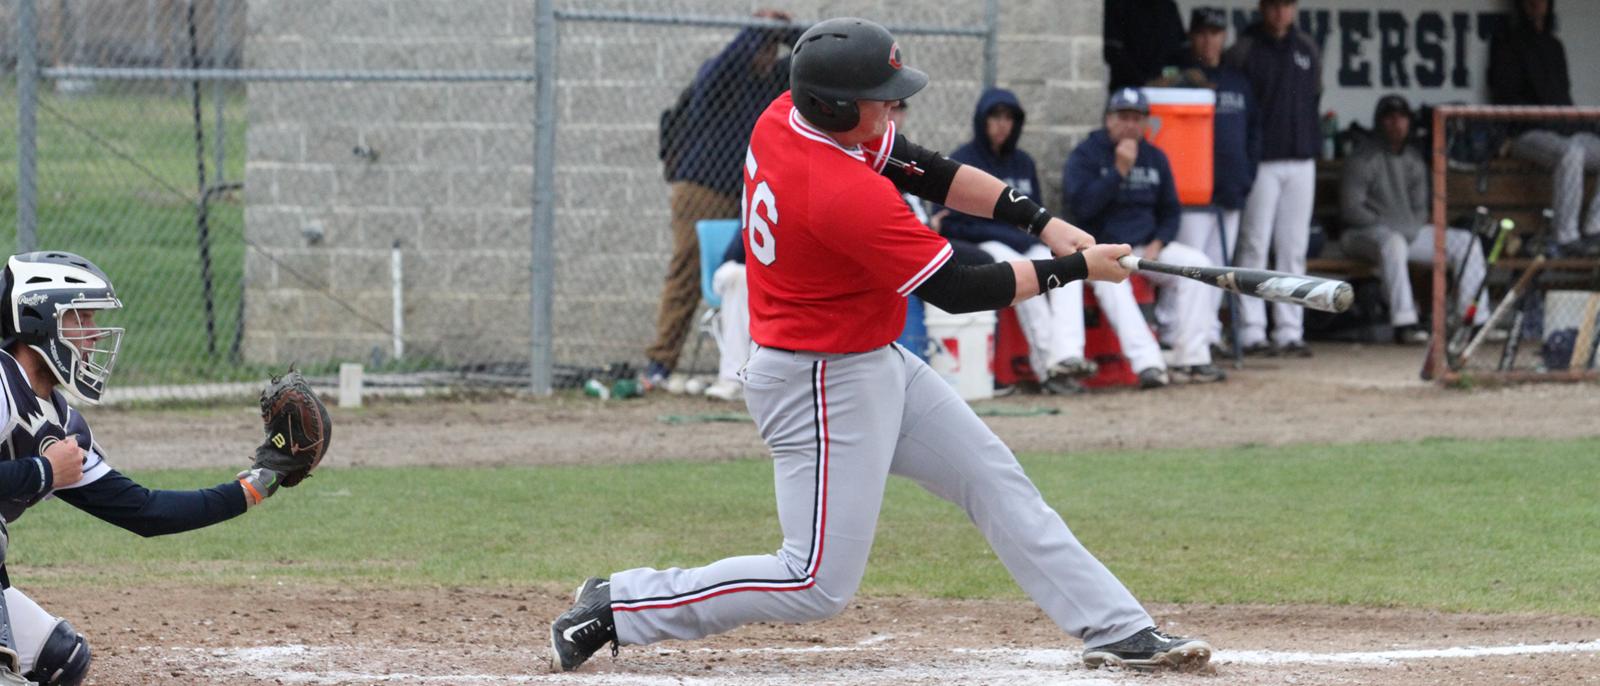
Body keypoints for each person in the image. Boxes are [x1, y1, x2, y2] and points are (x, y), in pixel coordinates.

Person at [549, 17, 1212, 675]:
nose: (893, 103)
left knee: (994, 480)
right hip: (818, 382)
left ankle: (1118, 628)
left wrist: (1044, 223)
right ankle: (620, 605)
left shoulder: (786, 115)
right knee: (812, 582)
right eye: (880, 94)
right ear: (834, 105)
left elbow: (924, 166)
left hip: (870, 358)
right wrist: (1076, 270)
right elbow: (957, 287)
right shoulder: (839, 193)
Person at [0, 251, 295, 684]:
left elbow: (145, 511)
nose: (94, 336)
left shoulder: (63, 425)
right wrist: (43, 473)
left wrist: (261, 482)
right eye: (79, 318)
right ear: (36, 319)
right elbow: (43, 470)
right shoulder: (3, 382)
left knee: (61, 658)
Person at [646, 10, 800, 391]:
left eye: (771, 48)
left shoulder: (775, 81)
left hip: (753, 190)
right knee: (687, 271)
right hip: (703, 188)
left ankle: (764, 364)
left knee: (768, 271)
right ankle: (659, 364)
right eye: (760, 47)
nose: (765, 57)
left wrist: (789, 31)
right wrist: (760, 27)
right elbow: (733, 58)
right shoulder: (722, 73)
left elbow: (814, 54)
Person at [938, 88, 1101, 394]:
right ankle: (1047, 369)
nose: (1002, 124)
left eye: (1009, 118)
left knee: (1071, 265)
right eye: (995, 117)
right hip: (985, 245)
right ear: (982, 120)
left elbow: (1036, 211)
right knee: (1026, 274)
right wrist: (1006, 235)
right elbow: (952, 223)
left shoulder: (1023, 162)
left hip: (1023, 240)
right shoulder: (963, 159)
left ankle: (1068, 355)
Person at [1066, 88, 1226, 384]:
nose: (1130, 125)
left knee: (1198, 264)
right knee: (1113, 287)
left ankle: (1192, 358)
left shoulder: (1155, 157)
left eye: (1137, 118)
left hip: (1147, 246)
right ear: (1109, 120)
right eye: (1123, 117)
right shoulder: (1087, 154)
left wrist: (1158, 243)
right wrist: (1118, 171)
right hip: (1102, 249)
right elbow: (1081, 208)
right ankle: (1148, 364)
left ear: (1146, 123)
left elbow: (1170, 212)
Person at [1340, 95, 1491, 343]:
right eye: (1389, 118)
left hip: (1407, 233)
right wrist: (1394, 227)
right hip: (1362, 235)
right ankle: (1405, 321)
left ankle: (1474, 319)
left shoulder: (1413, 159)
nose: (1396, 124)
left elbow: (1422, 210)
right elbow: (1352, 210)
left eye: (1401, 117)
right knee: (1393, 243)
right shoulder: (1362, 158)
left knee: (1466, 242)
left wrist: (1407, 228)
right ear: (1379, 122)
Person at [1159, 8, 1260, 355]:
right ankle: (1176, 333)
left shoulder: (1237, 81)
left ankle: (1208, 333)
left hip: (1229, 188)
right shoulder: (1178, 76)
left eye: (1215, 33)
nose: (1209, 39)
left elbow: (1253, 133)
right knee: (1187, 267)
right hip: (1192, 191)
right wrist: (1184, 81)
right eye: (1202, 32)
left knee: (1219, 269)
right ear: (1192, 36)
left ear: (1224, 37)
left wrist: (1246, 177)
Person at [1225, 0, 1322, 357]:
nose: (1281, 13)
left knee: (1293, 248)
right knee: (1254, 245)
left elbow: (1315, 97)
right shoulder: (1245, 49)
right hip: (1262, 160)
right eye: (1274, 5)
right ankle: (1252, 330)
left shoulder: (1307, 47)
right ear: (1262, 8)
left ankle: (1289, 329)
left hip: (1301, 158)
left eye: (1287, 5)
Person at [1489, 0, 1600, 253]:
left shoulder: (1554, 46)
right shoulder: (1507, 44)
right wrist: (1548, 119)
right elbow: (1505, 98)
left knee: (1577, 147)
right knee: (1571, 152)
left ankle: (1595, 228)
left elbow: (1564, 98)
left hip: (1562, 131)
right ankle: (1565, 235)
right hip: (1525, 133)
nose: (1536, 5)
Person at [1102, 0, 1187, 92]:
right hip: (1128, 93)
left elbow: (1180, 54)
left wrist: (1168, 78)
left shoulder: (1169, 7)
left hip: (1165, 92)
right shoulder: (1117, 4)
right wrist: (1146, 83)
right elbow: (1113, 52)